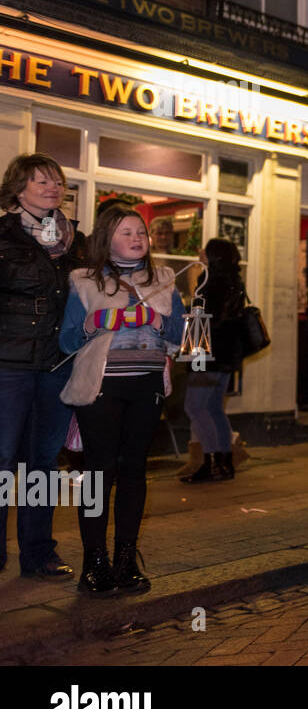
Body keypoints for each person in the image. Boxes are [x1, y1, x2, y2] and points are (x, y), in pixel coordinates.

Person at [59, 206, 185, 595]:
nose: (137, 238)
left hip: (146, 386)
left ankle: (126, 560)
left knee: (134, 472)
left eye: (141, 233)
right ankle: (94, 563)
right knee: (99, 473)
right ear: (106, 238)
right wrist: (93, 323)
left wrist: (158, 320)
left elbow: (179, 336)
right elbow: (65, 342)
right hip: (101, 388)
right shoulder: (83, 281)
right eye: (126, 231)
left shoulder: (164, 279)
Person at [0, 154, 84, 579]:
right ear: (18, 189)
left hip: (58, 363)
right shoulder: (2, 235)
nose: (53, 188)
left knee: (43, 462)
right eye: (41, 182)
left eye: (57, 181)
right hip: (8, 363)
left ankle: (38, 554)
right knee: (0, 460)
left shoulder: (74, 240)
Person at [179, 238, 246, 483]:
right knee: (215, 407)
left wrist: (192, 356)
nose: (200, 252)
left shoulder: (208, 282)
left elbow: (200, 320)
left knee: (194, 407)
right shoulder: (235, 281)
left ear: (213, 255)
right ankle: (225, 463)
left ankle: (210, 462)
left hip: (207, 357)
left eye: (205, 249)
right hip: (228, 357)